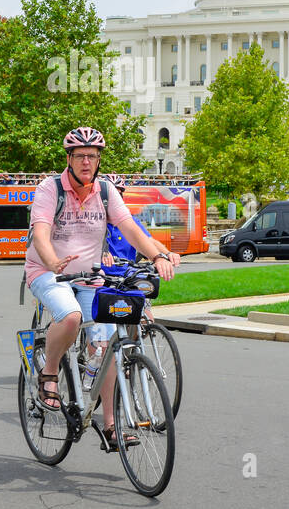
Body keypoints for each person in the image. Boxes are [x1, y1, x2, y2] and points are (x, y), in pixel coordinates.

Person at [24, 127, 180, 452]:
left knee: (107, 344)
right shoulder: (50, 189)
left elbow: (131, 229)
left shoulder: (107, 191)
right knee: (70, 316)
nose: (86, 162)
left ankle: (111, 426)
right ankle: (49, 373)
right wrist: (53, 261)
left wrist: (158, 254)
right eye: (79, 156)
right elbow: (40, 234)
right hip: (49, 273)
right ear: (68, 159)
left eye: (92, 156)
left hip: (91, 277)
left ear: (98, 161)